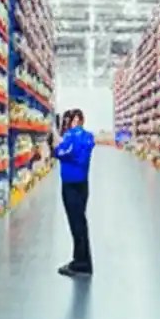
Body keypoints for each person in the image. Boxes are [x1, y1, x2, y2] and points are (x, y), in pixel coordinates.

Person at [53, 108, 95, 277]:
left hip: (71, 184)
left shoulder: (72, 136)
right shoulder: (88, 136)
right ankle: (83, 259)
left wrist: (56, 146)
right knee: (81, 222)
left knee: (76, 224)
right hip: (83, 183)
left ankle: (80, 263)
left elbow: (62, 152)